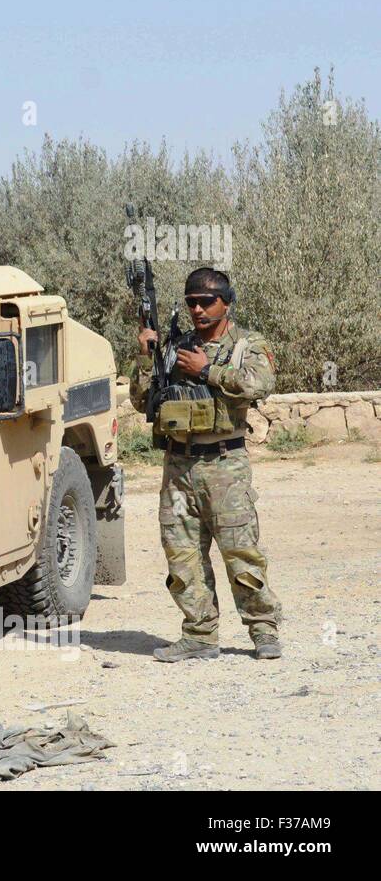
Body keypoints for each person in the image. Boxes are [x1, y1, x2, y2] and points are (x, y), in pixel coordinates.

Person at [130, 267, 283, 662]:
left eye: (206, 302)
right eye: (191, 302)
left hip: (225, 466)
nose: (197, 309)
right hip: (178, 468)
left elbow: (260, 384)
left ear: (226, 302)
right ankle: (199, 634)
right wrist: (146, 357)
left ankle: (263, 629)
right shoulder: (175, 346)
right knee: (182, 554)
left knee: (241, 552)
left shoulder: (246, 344)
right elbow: (140, 400)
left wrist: (206, 371)